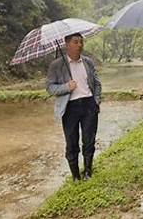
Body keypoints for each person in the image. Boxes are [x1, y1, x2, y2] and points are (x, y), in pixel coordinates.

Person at [46, 33, 101, 182]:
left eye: (81, 42)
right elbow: (50, 88)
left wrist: (96, 101)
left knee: (89, 140)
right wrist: (66, 87)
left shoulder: (88, 62)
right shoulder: (56, 65)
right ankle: (75, 175)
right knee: (71, 142)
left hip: (89, 104)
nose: (80, 45)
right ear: (67, 45)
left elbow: (97, 83)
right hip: (69, 107)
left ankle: (88, 171)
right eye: (75, 42)